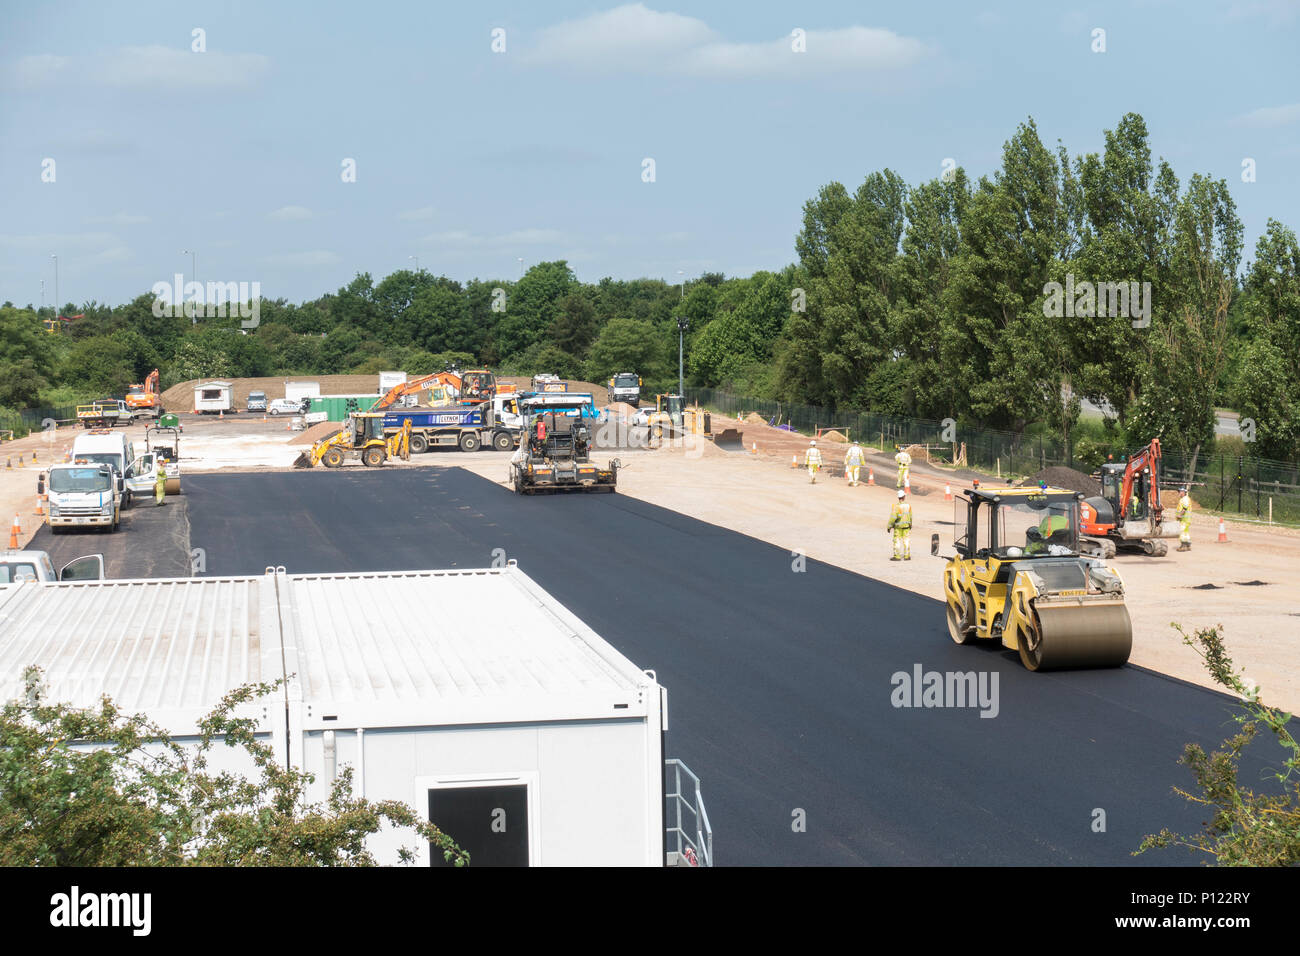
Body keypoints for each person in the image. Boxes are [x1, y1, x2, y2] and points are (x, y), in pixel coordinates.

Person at [888, 489, 912, 560]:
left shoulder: (896, 507)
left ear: (898, 498)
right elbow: (910, 517)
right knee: (906, 541)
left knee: (897, 541)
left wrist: (889, 526)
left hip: (898, 527)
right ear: (904, 497)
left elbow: (893, 518)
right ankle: (907, 556)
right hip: (907, 527)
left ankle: (897, 556)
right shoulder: (908, 506)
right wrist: (910, 525)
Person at [1176, 486, 1192, 551]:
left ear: (1183, 492)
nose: (1179, 493)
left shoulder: (1185, 499)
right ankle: (1188, 545)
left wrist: (1180, 515)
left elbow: (1184, 508)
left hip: (1184, 519)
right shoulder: (1185, 498)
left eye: (1179, 491)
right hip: (1186, 519)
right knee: (1186, 532)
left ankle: (1183, 546)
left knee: (1182, 532)